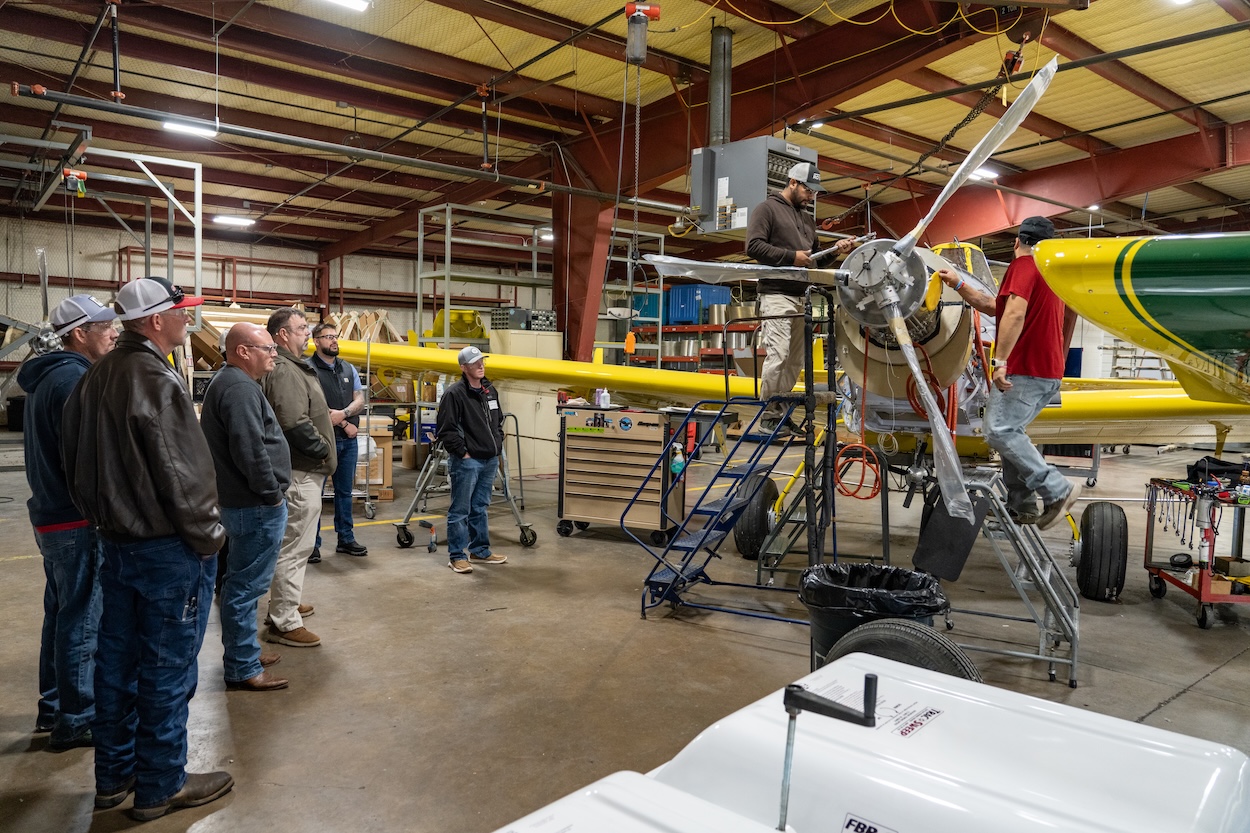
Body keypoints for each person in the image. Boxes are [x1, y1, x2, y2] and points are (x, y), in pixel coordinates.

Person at [61, 277, 232, 821]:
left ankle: (114, 778)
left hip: (118, 544)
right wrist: (209, 541)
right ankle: (161, 785)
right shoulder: (152, 376)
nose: (190, 321)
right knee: (166, 668)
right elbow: (184, 474)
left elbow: (74, 467)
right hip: (167, 549)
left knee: (117, 664)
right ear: (155, 320)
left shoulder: (95, 377)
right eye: (183, 313)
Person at [938, 215, 1082, 530]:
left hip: (1027, 368)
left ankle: (1057, 489)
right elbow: (994, 306)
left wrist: (999, 361)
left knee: (998, 431)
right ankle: (1023, 506)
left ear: (1017, 241)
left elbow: (1014, 314)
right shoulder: (1047, 273)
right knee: (1011, 432)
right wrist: (958, 283)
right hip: (1047, 372)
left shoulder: (1022, 267)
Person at [20, 295, 118, 751]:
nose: (114, 332)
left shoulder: (49, 377)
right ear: (79, 333)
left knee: (60, 613)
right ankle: (77, 718)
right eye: (105, 326)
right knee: (82, 616)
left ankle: (53, 705)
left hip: (51, 516)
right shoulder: (76, 381)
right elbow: (88, 460)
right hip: (76, 519)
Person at [201, 323, 291, 692]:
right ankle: (242, 667)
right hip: (254, 505)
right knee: (244, 588)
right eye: (267, 347)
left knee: (241, 584)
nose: (274, 353)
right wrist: (270, 493)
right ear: (243, 351)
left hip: (244, 502)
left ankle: (246, 653)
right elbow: (249, 449)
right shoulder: (238, 387)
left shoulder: (232, 383)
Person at [746, 161, 855, 435]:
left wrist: (836, 250)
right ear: (792, 182)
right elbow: (753, 246)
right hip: (776, 294)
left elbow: (814, 259)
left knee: (794, 360)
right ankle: (768, 414)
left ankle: (781, 414)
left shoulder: (807, 219)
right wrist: (791, 256)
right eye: (809, 190)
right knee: (779, 354)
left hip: (802, 296)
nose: (812, 196)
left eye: (815, 192)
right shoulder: (766, 209)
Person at [260, 308, 335, 647]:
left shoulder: (293, 366)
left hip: (305, 470)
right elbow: (293, 423)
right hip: (302, 471)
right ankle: (284, 622)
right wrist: (322, 450)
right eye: (302, 328)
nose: (307, 333)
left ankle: (284, 603)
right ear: (281, 335)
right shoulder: (286, 371)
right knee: (295, 545)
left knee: (295, 544)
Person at [436, 346, 506, 574]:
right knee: (460, 510)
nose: (480, 365)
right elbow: (446, 430)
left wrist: (497, 443)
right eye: (475, 362)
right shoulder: (455, 394)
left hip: (489, 460)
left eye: (481, 360)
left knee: (480, 507)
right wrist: (463, 453)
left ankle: (480, 550)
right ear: (463, 367)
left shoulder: (489, 390)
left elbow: (498, 421)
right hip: (468, 461)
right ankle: (456, 556)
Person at [308, 321, 368, 561]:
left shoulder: (348, 368)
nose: (334, 341)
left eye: (335, 336)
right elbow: (315, 406)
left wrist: (343, 416)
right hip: (321, 442)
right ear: (316, 341)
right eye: (327, 337)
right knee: (314, 495)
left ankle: (346, 538)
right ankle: (311, 544)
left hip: (348, 442)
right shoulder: (308, 370)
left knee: (345, 492)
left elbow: (359, 399)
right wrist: (345, 422)